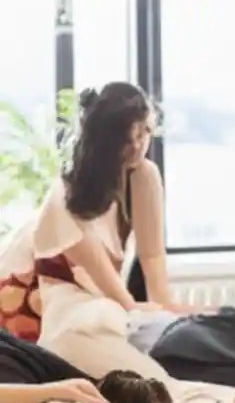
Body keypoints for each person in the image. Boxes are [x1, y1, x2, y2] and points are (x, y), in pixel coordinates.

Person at [0, 82, 200, 379]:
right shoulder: (69, 192)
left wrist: (166, 308)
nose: (139, 145)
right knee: (106, 337)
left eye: (144, 132)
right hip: (37, 294)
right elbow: (108, 283)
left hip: (98, 302)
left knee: (159, 336)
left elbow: (153, 257)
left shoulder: (144, 176)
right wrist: (136, 309)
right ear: (107, 140)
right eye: (128, 137)